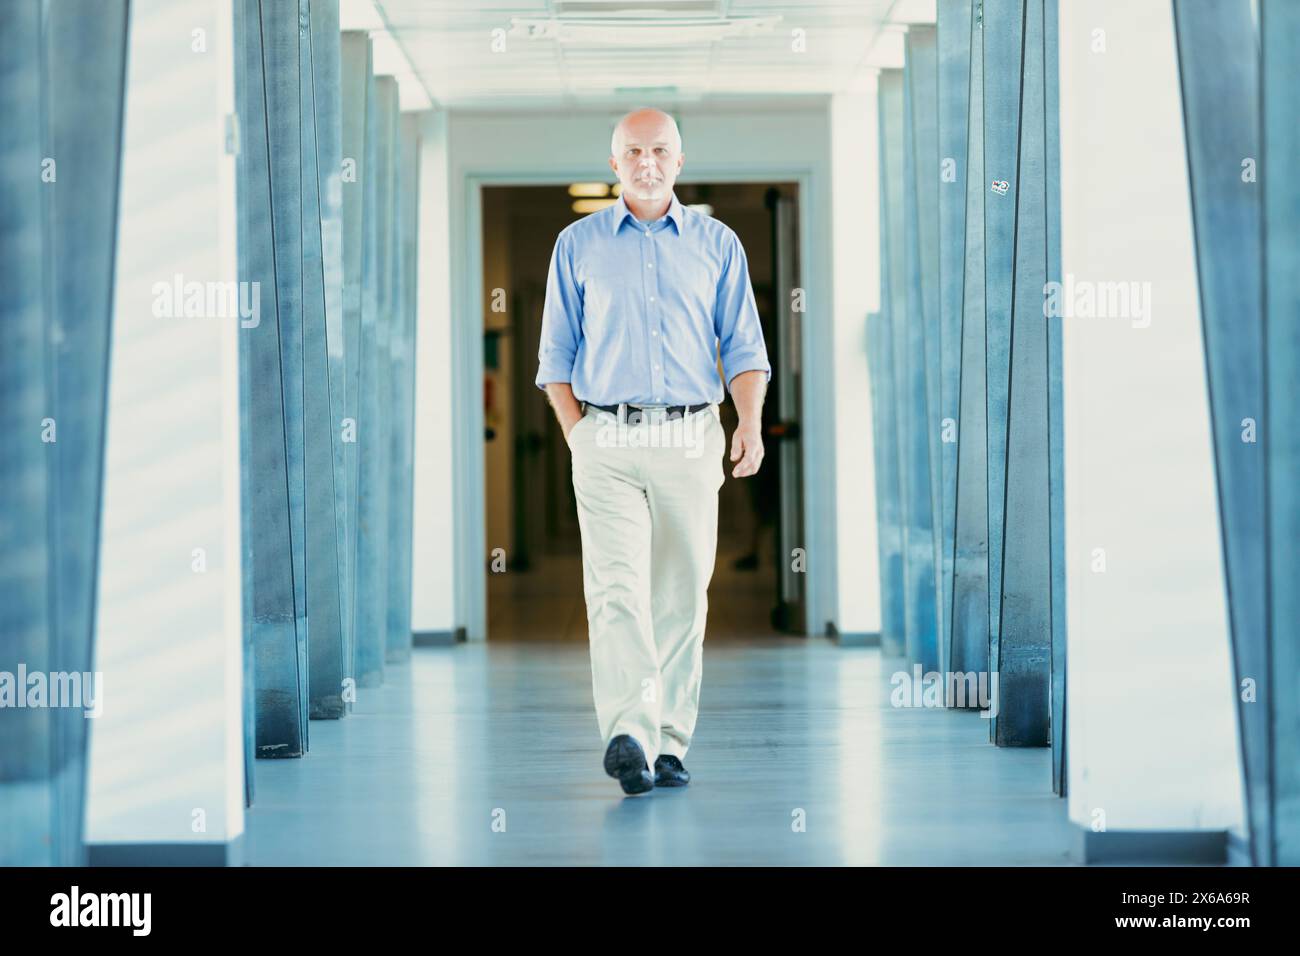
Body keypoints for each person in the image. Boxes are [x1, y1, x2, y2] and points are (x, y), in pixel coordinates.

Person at [535, 107, 771, 795]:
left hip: (690, 434)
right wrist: (580, 435)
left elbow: (746, 350)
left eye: (659, 150)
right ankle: (628, 734)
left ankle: (668, 740)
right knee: (614, 591)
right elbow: (555, 361)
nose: (646, 161)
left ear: (679, 161)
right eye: (633, 151)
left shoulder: (717, 244)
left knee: (680, 592)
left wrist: (748, 424)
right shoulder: (576, 245)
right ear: (614, 164)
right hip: (604, 436)